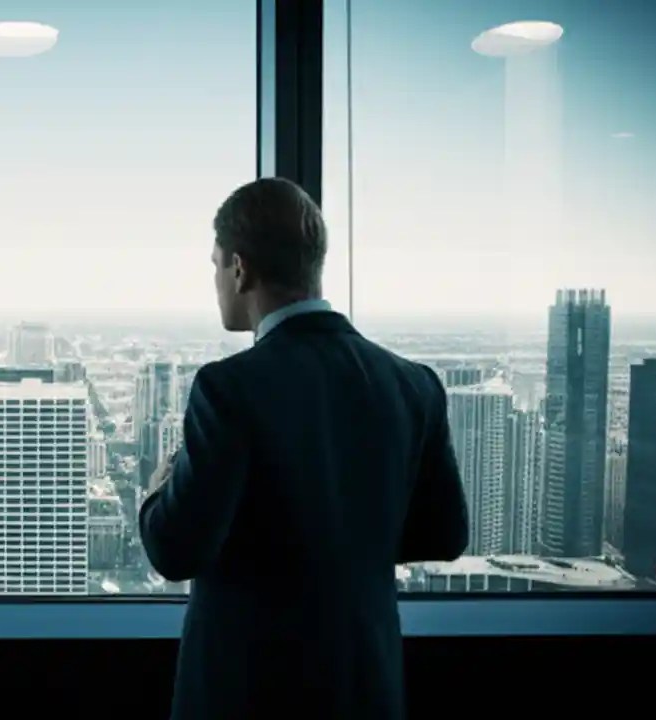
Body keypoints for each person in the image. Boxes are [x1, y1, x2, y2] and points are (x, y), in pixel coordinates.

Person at [139, 177, 469, 719]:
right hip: (367, 690)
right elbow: (445, 534)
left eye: (216, 265)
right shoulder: (413, 383)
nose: (216, 281)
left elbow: (175, 551)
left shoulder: (228, 388)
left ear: (239, 269)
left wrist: (157, 491)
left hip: (248, 697)